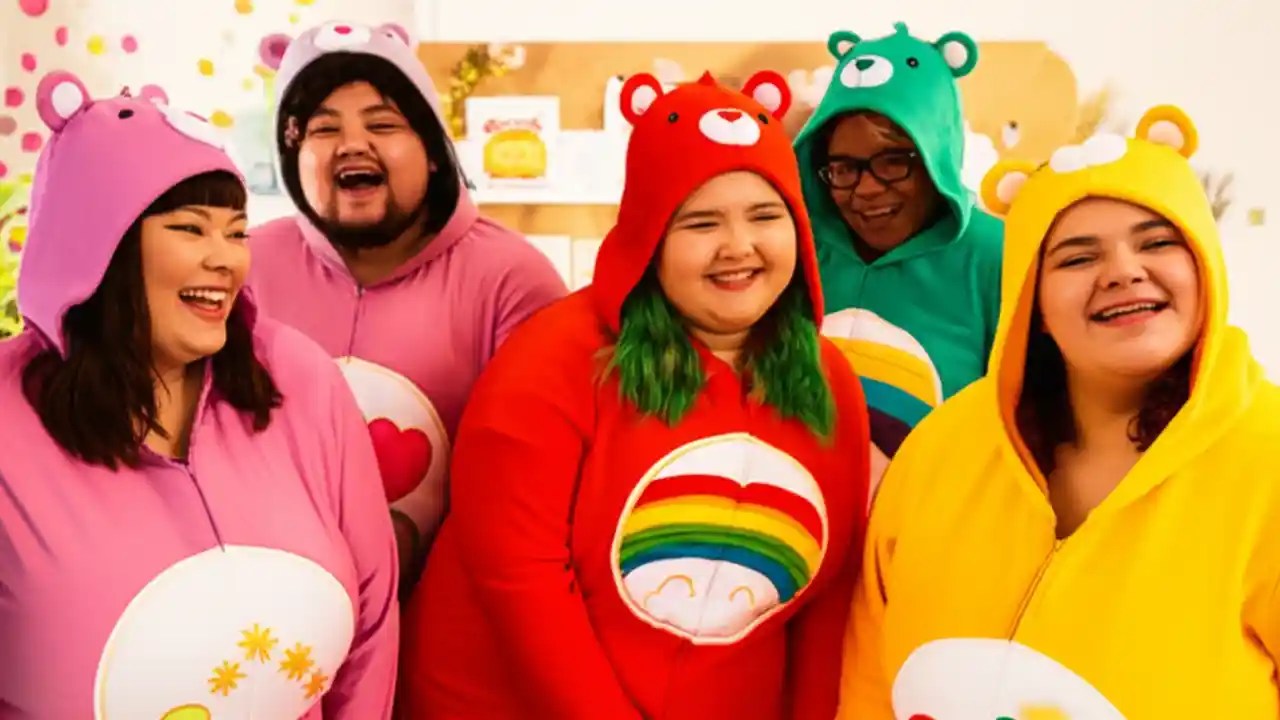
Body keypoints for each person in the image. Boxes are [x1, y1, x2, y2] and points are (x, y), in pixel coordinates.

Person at [398, 71, 871, 719]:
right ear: (649, 234)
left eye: (766, 215)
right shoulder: (554, 359)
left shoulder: (827, 380)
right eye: (701, 222)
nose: (739, 247)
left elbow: (827, 600)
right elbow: (521, 581)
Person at [839, 106, 1280, 718]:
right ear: (1032, 300)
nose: (1124, 272)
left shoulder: (1267, 458)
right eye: (1077, 258)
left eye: (1158, 242)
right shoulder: (945, 444)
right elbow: (868, 672)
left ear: (1205, 265)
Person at [0, 72, 398, 718]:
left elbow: (374, 619)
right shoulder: (8, 421)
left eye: (236, 232)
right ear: (97, 245)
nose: (228, 260)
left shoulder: (299, 379)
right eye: (191, 229)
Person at [249, 21, 568, 589]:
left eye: (383, 123)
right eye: (323, 129)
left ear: (436, 152)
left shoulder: (514, 280)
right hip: (273, 623)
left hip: (454, 626)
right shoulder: (244, 269)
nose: (352, 144)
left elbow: (543, 487)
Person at [793, 22, 1004, 488]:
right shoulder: (796, 251)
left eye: (893, 162)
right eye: (844, 167)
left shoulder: (999, 257)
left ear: (936, 155)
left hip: (937, 533)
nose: (866, 189)